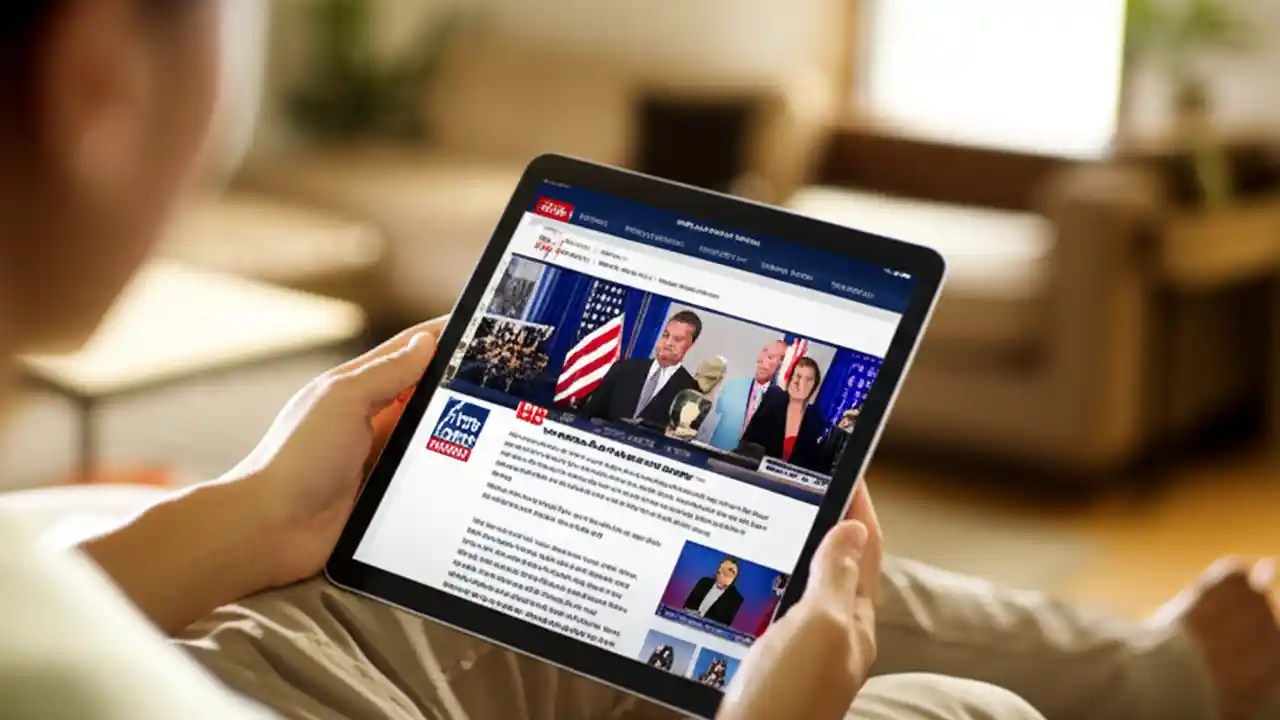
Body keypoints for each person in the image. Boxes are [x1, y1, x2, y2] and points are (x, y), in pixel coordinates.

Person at [1, 3, 1278, 720]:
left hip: (243, 633)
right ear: (95, 81)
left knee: (707, 565)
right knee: (956, 708)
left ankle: (1161, 673)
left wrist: (243, 515)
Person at [579, 311, 701, 426]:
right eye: (665, 335)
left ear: (690, 345)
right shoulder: (623, 369)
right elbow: (589, 415)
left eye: (677, 339)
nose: (668, 343)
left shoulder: (691, 391)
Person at [740, 357, 827, 470]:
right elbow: (749, 439)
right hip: (755, 470)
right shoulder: (773, 398)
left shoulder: (816, 419)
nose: (801, 383)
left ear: (814, 385)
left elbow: (812, 463)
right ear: (791, 378)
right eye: (798, 377)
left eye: (808, 379)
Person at [706, 340, 788, 451]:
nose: (761, 360)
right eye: (762, 353)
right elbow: (711, 421)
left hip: (750, 461)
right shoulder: (733, 385)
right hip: (717, 452)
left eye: (770, 357)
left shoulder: (782, 401)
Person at [683, 557, 746, 626]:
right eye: (721, 572)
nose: (723, 577)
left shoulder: (736, 599)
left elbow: (724, 624)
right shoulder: (704, 582)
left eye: (728, 574)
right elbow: (687, 606)